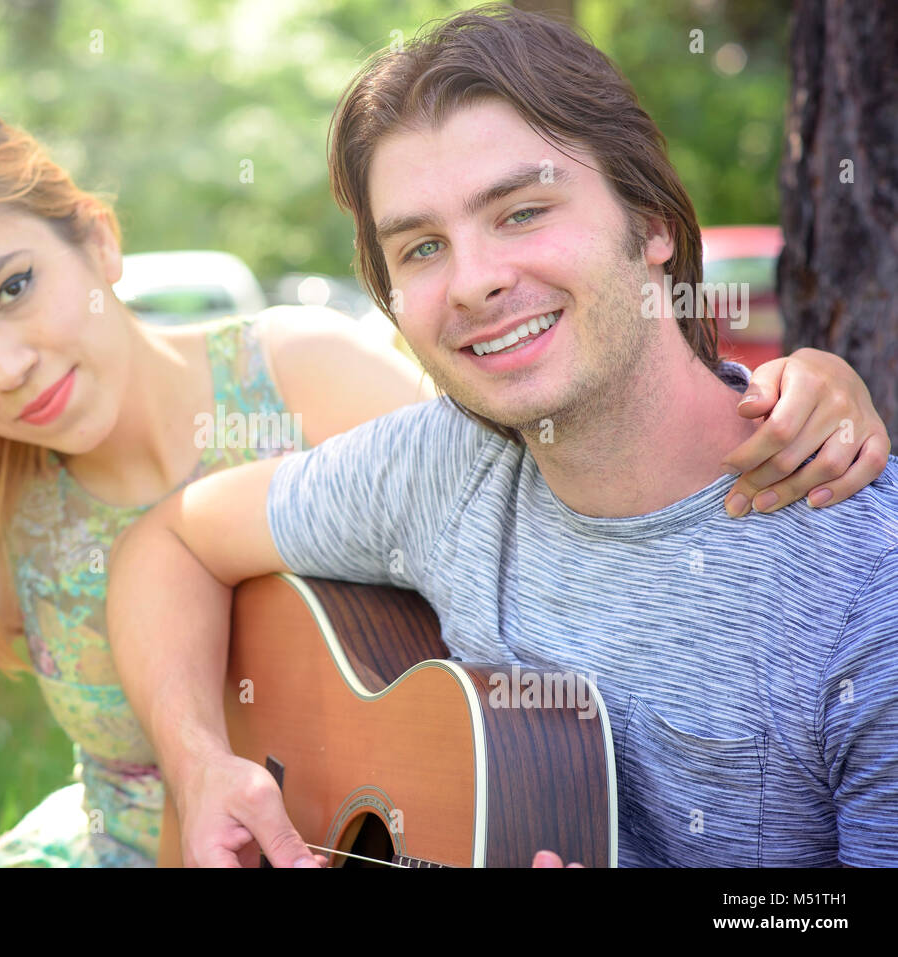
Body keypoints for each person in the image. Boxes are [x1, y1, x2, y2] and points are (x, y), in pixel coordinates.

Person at [0, 95, 883, 868]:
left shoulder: (296, 375)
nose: (2, 367)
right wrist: (194, 774)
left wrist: (777, 382)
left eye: (9, 289)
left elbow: (531, 475)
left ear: (95, 242)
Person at [105, 5, 898, 868]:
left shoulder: (865, 585)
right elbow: (170, 538)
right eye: (421, 248)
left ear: (654, 221)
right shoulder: (442, 466)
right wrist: (197, 767)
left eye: (521, 212)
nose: (474, 282)